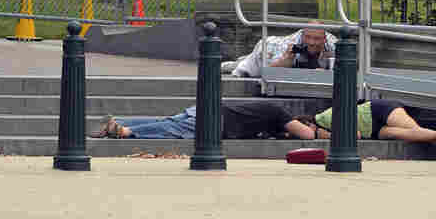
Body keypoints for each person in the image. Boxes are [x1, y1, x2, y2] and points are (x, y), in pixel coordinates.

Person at [294, 99, 436, 160]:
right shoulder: (322, 126)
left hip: (377, 110)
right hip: (372, 129)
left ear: (309, 124)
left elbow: (354, 134)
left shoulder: (326, 118)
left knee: (414, 129)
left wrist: (327, 135)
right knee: (409, 134)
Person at [89, 100, 317, 140]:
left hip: (209, 111)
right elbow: (307, 135)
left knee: (168, 122)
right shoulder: (279, 112)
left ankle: (122, 124)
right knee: (171, 129)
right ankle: (125, 131)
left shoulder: (267, 116)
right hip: (214, 120)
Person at [226, 23, 337, 78]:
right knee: (239, 67)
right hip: (265, 52)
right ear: (302, 36)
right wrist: (284, 62)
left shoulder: (334, 44)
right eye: (308, 37)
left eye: (316, 39)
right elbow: (268, 73)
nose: (312, 42)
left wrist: (326, 73)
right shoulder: (287, 46)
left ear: (324, 39)